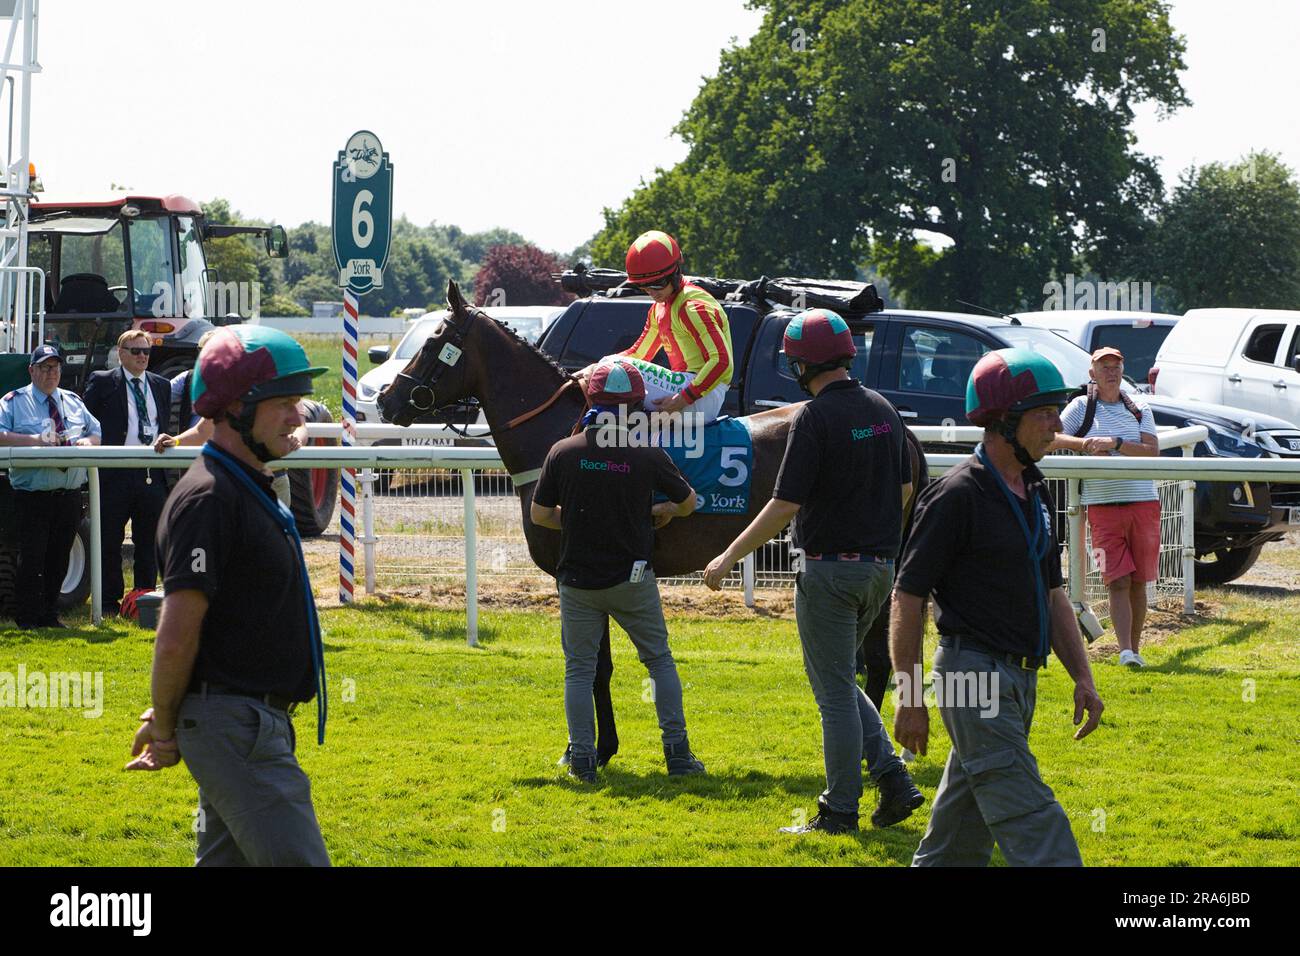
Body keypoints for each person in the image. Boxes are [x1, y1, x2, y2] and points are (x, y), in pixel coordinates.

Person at [704, 309, 924, 834]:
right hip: (879, 571)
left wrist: (728, 556)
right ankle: (894, 780)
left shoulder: (812, 417)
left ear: (801, 366)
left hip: (829, 574)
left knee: (833, 696)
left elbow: (784, 504)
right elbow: (904, 490)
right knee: (841, 685)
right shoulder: (885, 410)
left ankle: (839, 810)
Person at [125, 325, 331, 867]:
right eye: (285, 403)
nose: (299, 416)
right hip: (239, 729)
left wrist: (181, 713)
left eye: (299, 403)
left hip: (247, 722)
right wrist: (168, 723)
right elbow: (176, 634)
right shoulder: (210, 498)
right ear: (236, 408)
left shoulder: (244, 480)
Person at [891, 348, 1105, 867]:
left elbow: (1053, 591)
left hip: (1021, 679)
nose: (1057, 425)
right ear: (1003, 422)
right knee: (1033, 820)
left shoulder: (1033, 489)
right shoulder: (955, 496)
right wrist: (909, 695)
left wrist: (1083, 675)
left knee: (958, 839)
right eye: (1044, 414)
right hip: (974, 679)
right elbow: (907, 597)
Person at [530, 359, 705, 784]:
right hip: (633, 580)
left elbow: (539, 516)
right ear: (635, 405)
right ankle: (678, 755)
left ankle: (583, 760)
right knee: (659, 661)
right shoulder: (646, 453)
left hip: (577, 581)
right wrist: (660, 510)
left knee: (579, 670)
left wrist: (575, 520)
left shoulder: (562, 451)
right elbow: (689, 502)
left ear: (591, 400)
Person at [1049, 347, 1160, 668]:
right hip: (1100, 506)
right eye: (1104, 366)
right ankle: (1125, 650)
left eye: (1116, 366)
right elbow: (1053, 437)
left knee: (1138, 580)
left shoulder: (1139, 406)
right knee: (1117, 579)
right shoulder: (1080, 406)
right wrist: (1083, 444)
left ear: (1123, 370)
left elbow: (1151, 451)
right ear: (1092, 373)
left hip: (1143, 504)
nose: (1111, 371)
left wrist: (1116, 444)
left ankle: (1133, 650)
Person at [0, 345, 101, 628]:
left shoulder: (72, 401)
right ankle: (28, 618)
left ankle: (49, 614)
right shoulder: (13, 401)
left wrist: (86, 443)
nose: (50, 373)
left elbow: (96, 432)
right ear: (31, 370)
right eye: (44, 367)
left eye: (55, 367)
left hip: (68, 493)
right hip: (32, 494)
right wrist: (35, 441)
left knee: (59, 558)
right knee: (32, 559)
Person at [590, 230, 733, 424]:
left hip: (703, 396)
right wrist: (593, 368)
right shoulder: (658, 308)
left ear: (676, 271)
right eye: (643, 286)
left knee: (611, 365)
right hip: (689, 389)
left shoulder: (692, 307)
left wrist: (683, 399)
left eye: (658, 284)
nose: (652, 292)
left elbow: (721, 361)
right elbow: (639, 354)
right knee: (604, 367)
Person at [83, 329, 172, 616]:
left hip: (150, 471)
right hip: (115, 472)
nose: (142, 356)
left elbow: (165, 425)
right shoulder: (103, 381)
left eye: (146, 351)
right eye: (135, 351)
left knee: (148, 541)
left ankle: (142, 601)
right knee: (109, 540)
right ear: (121, 354)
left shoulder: (161, 385)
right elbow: (88, 421)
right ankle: (109, 602)